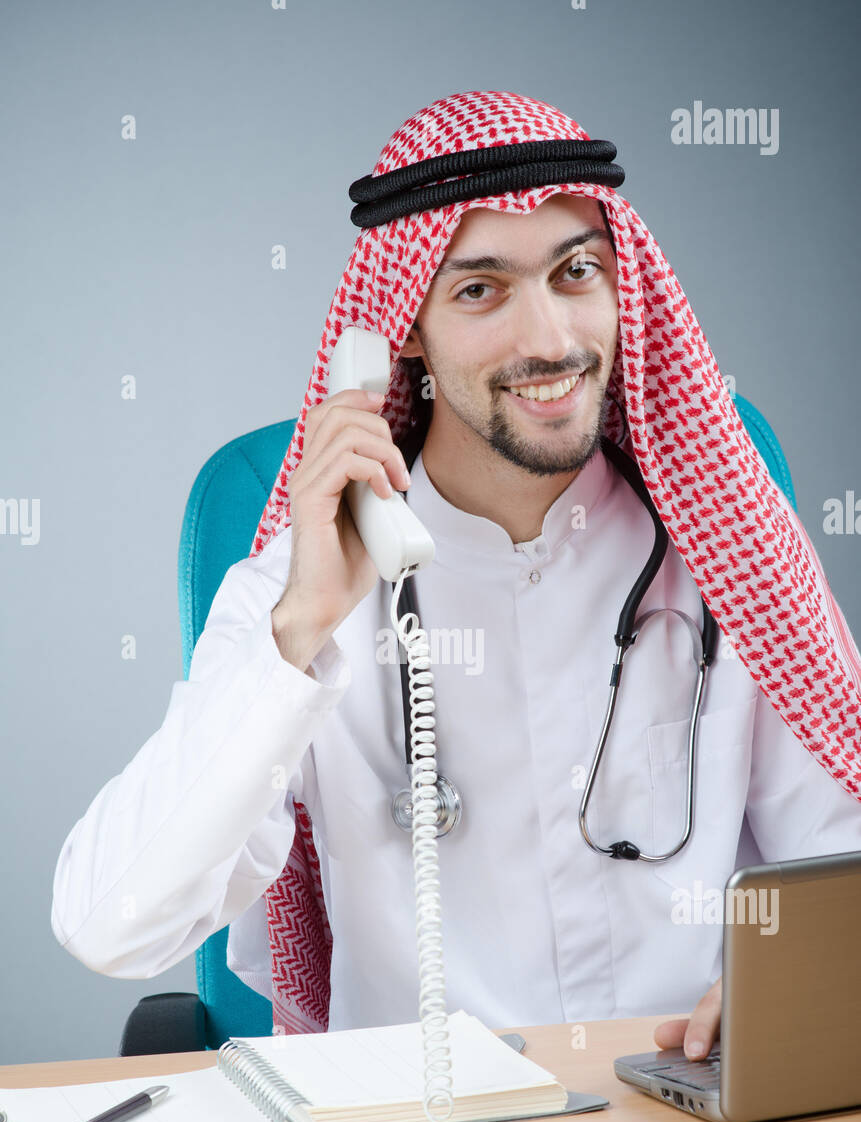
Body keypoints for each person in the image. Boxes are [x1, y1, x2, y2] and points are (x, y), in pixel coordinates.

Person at [51, 92, 861, 1064]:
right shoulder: (300, 591)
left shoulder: (728, 554)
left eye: (577, 272)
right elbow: (111, 925)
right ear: (402, 331)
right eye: (480, 290)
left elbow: (841, 853)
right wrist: (300, 631)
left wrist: (799, 984)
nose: (549, 338)